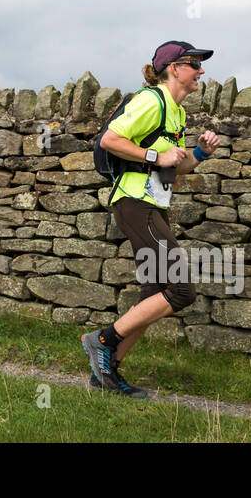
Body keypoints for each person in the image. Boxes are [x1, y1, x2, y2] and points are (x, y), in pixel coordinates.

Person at [81, 41, 219, 398]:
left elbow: (178, 162)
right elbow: (111, 139)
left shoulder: (177, 112)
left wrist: (201, 152)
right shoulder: (151, 100)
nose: (201, 71)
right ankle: (102, 341)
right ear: (174, 68)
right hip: (134, 201)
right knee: (181, 290)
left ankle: (104, 376)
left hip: (153, 204)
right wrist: (154, 155)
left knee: (154, 292)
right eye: (194, 65)